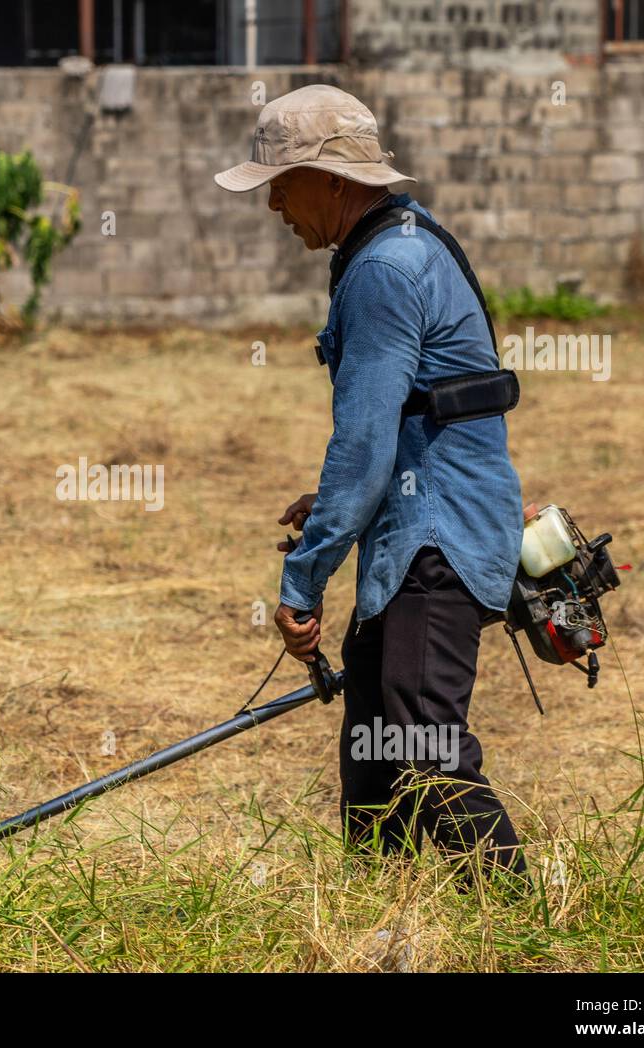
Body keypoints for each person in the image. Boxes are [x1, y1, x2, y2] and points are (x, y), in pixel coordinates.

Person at [214, 85, 527, 880]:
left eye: (281, 183)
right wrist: (335, 506)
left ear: (332, 179)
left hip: (438, 544)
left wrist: (302, 581)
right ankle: (377, 927)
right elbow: (407, 424)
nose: (275, 204)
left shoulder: (384, 268)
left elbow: (361, 449)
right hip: (425, 532)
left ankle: (533, 935)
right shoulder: (405, 243)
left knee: (426, 756)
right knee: (374, 758)